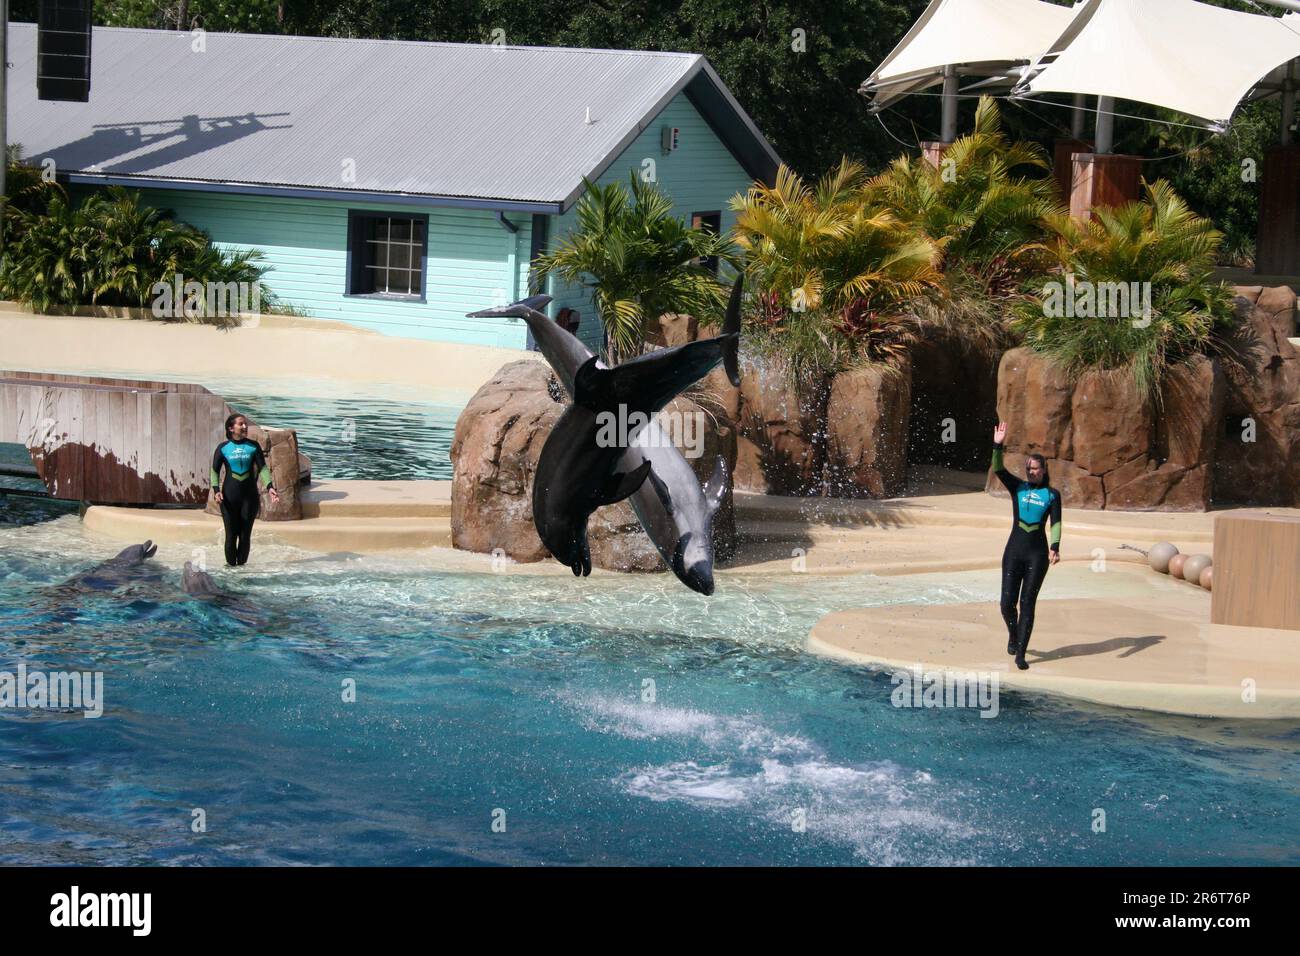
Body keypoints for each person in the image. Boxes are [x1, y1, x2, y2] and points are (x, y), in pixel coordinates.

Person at [991, 422, 1061, 670]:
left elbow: (1056, 522)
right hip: (1014, 551)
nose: (1030, 472)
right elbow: (998, 469)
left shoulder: (1052, 495)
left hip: (1037, 555)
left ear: (1043, 470)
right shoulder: (1018, 487)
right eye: (1028, 469)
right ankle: (1013, 634)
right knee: (1006, 604)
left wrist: (1055, 546)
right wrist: (997, 445)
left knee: (1028, 603)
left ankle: (1021, 653)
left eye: (1034, 469)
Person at [211, 414, 280, 567]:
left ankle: (240, 570)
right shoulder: (223, 448)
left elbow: (262, 468)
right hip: (229, 498)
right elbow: (214, 471)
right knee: (231, 535)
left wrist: (270, 487)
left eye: (245, 424)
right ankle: (230, 569)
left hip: (249, 498)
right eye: (241, 424)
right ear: (231, 428)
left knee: (245, 536)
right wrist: (216, 490)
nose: (244, 427)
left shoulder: (253, 446)